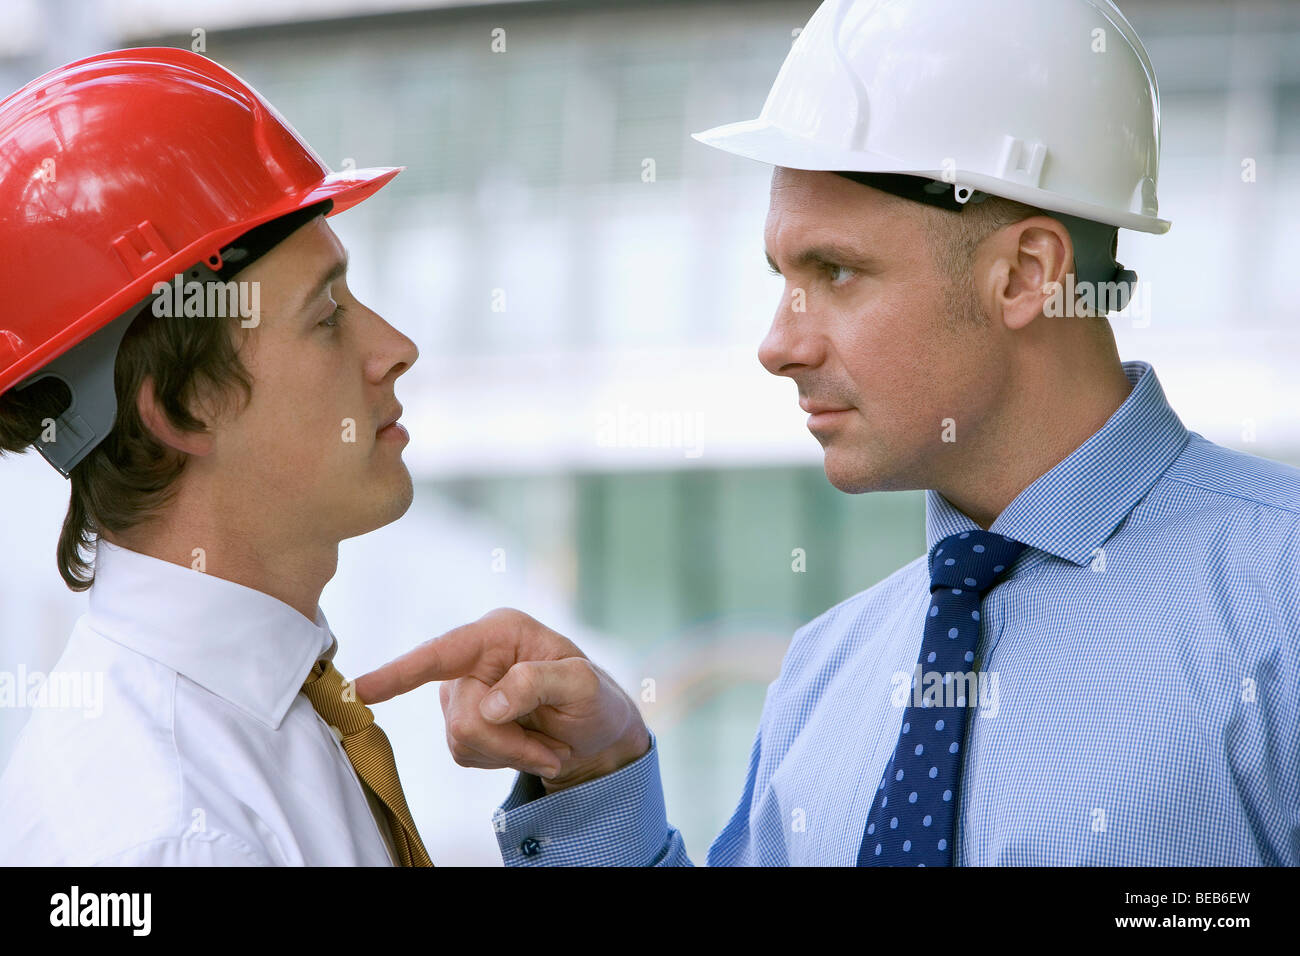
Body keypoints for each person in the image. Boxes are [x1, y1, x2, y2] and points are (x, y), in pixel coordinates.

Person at [355, 0, 1300, 866]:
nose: (778, 345)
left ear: (1025, 275)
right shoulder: (824, 675)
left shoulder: (1282, 602)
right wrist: (596, 774)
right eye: (783, 276)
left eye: (837, 272)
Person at [0, 48, 436, 865]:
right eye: (326, 317)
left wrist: (589, 791)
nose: (397, 348)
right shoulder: (169, 835)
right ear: (181, 406)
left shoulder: (258, 726)